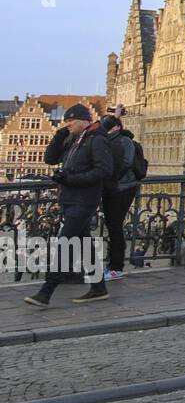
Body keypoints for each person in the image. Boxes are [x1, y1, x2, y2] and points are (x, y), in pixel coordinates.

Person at [24, 104, 114, 307]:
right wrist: (59, 135)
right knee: (84, 244)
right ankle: (99, 288)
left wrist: (71, 179)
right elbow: (50, 159)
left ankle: (46, 291)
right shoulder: (74, 138)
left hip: (84, 200)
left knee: (65, 243)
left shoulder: (97, 139)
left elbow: (104, 170)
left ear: (84, 120)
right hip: (71, 199)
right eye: (66, 121)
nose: (68, 124)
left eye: (71, 120)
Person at [99, 115, 141, 282]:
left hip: (123, 188)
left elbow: (126, 163)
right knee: (111, 225)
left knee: (115, 225)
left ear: (116, 127)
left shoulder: (125, 141)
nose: (106, 131)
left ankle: (116, 266)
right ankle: (112, 264)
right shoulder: (110, 140)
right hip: (113, 187)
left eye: (108, 128)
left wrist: (111, 178)